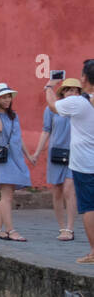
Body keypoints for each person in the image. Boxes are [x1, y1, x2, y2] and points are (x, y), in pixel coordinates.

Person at [45, 59, 94, 263]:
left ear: (83, 78)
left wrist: (49, 86)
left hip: (85, 163)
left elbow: (53, 106)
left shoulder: (78, 102)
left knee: (89, 207)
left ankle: (93, 252)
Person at [32, 77, 82, 240]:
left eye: (75, 90)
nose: (72, 93)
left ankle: (70, 228)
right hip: (56, 153)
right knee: (57, 191)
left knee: (69, 189)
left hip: (75, 153)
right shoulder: (52, 109)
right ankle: (61, 228)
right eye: (69, 90)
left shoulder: (81, 108)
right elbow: (46, 131)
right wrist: (37, 153)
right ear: (63, 92)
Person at [0, 82, 36, 241]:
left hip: (16, 158)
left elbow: (18, 138)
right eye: (3, 97)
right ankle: (10, 231)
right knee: (6, 197)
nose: (7, 100)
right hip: (3, 159)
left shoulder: (14, 116)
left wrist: (29, 156)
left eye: (8, 96)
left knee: (7, 196)